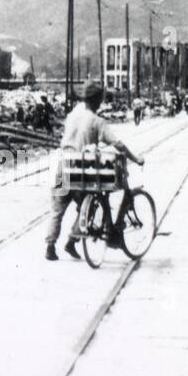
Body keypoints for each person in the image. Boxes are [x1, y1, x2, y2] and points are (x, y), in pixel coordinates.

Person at [46, 81, 145, 262]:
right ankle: (72, 240)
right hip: (80, 171)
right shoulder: (97, 121)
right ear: (98, 100)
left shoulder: (72, 116)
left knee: (57, 209)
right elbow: (118, 144)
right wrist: (135, 158)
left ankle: (50, 247)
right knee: (88, 207)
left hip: (62, 165)